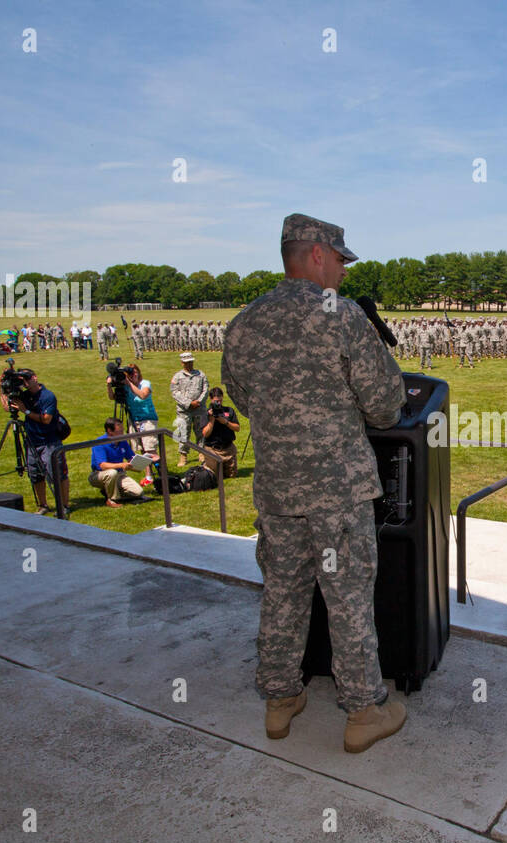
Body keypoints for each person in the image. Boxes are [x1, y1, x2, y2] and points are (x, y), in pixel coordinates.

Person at [222, 212, 407, 754]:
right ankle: (363, 711)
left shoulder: (245, 322)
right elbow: (386, 405)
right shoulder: (341, 315)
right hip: (338, 493)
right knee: (347, 597)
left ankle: (280, 700)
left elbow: (243, 398)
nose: (344, 274)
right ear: (318, 255)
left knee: (282, 593)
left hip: (278, 491)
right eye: (341, 262)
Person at [7, 369, 72, 513]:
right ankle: (43, 505)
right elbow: (7, 407)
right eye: (21, 381)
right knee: (35, 475)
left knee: (57, 474)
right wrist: (3, 389)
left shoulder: (48, 396)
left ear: (34, 378)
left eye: (26, 380)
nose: (24, 384)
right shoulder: (24, 396)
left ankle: (64, 505)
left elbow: (46, 419)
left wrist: (26, 411)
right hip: (32, 442)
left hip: (50, 441)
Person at [108, 363, 160, 486]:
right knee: (142, 451)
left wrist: (129, 383)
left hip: (147, 419)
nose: (134, 374)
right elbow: (112, 397)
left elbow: (142, 395)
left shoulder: (145, 383)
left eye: (135, 371)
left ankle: (162, 474)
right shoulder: (125, 386)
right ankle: (149, 476)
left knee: (150, 449)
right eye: (131, 373)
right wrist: (109, 385)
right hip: (134, 420)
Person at [88, 417, 150, 507]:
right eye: (119, 431)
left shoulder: (123, 442)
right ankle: (112, 500)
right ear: (110, 431)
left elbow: (131, 458)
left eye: (122, 430)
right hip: (98, 474)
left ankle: (110, 490)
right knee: (111, 473)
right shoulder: (99, 443)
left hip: (119, 475)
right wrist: (121, 465)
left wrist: (146, 459)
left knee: (138, 492)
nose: (122, 433)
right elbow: (102, 466)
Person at [170, 352, 209, 467]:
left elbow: (205, 389)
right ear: (182, 363)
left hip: (199, 409)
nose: (189, 364)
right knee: (183, 432)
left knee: (201, 431)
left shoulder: (200, 374)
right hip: (184, 410)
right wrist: (188, 403)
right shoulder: (177, 376)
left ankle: (201, 453)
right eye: (187, 363)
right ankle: (183, 455)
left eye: (191, 362)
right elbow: (175, 392)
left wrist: (199, 402)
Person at [198, 387, 240, 478]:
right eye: (216, 401)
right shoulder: (206, 413)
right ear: (211, 399)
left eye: (220, 400)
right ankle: (206, 463)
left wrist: (225, 422)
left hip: (228, 448)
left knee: (232, 476)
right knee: (213, 477)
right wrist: (211, 420)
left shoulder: (229, 411)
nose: (218, 403)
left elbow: (237, 428)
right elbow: (205, 434)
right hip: (212, 449)